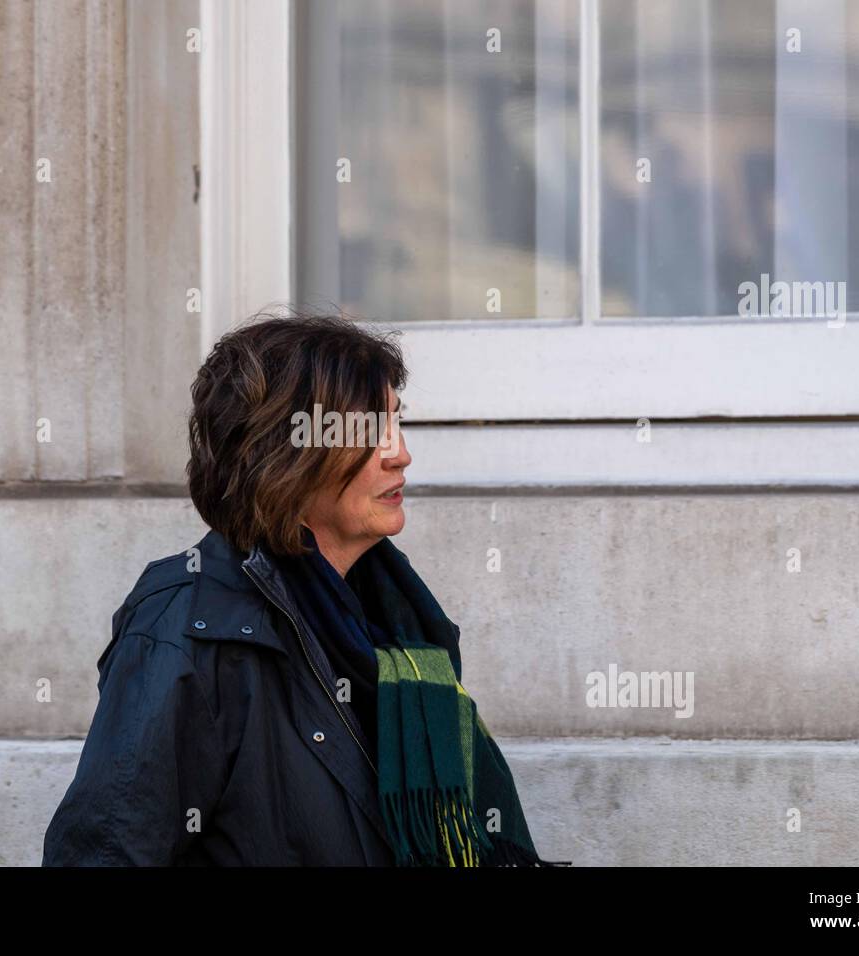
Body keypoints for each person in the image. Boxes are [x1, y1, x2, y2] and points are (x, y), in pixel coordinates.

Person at [41, 313, 566, 866]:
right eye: (370, 432)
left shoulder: (396, 622)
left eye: (396, 422)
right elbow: (106, 854)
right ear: (284, 455)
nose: (401, 453)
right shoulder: (185, 629)